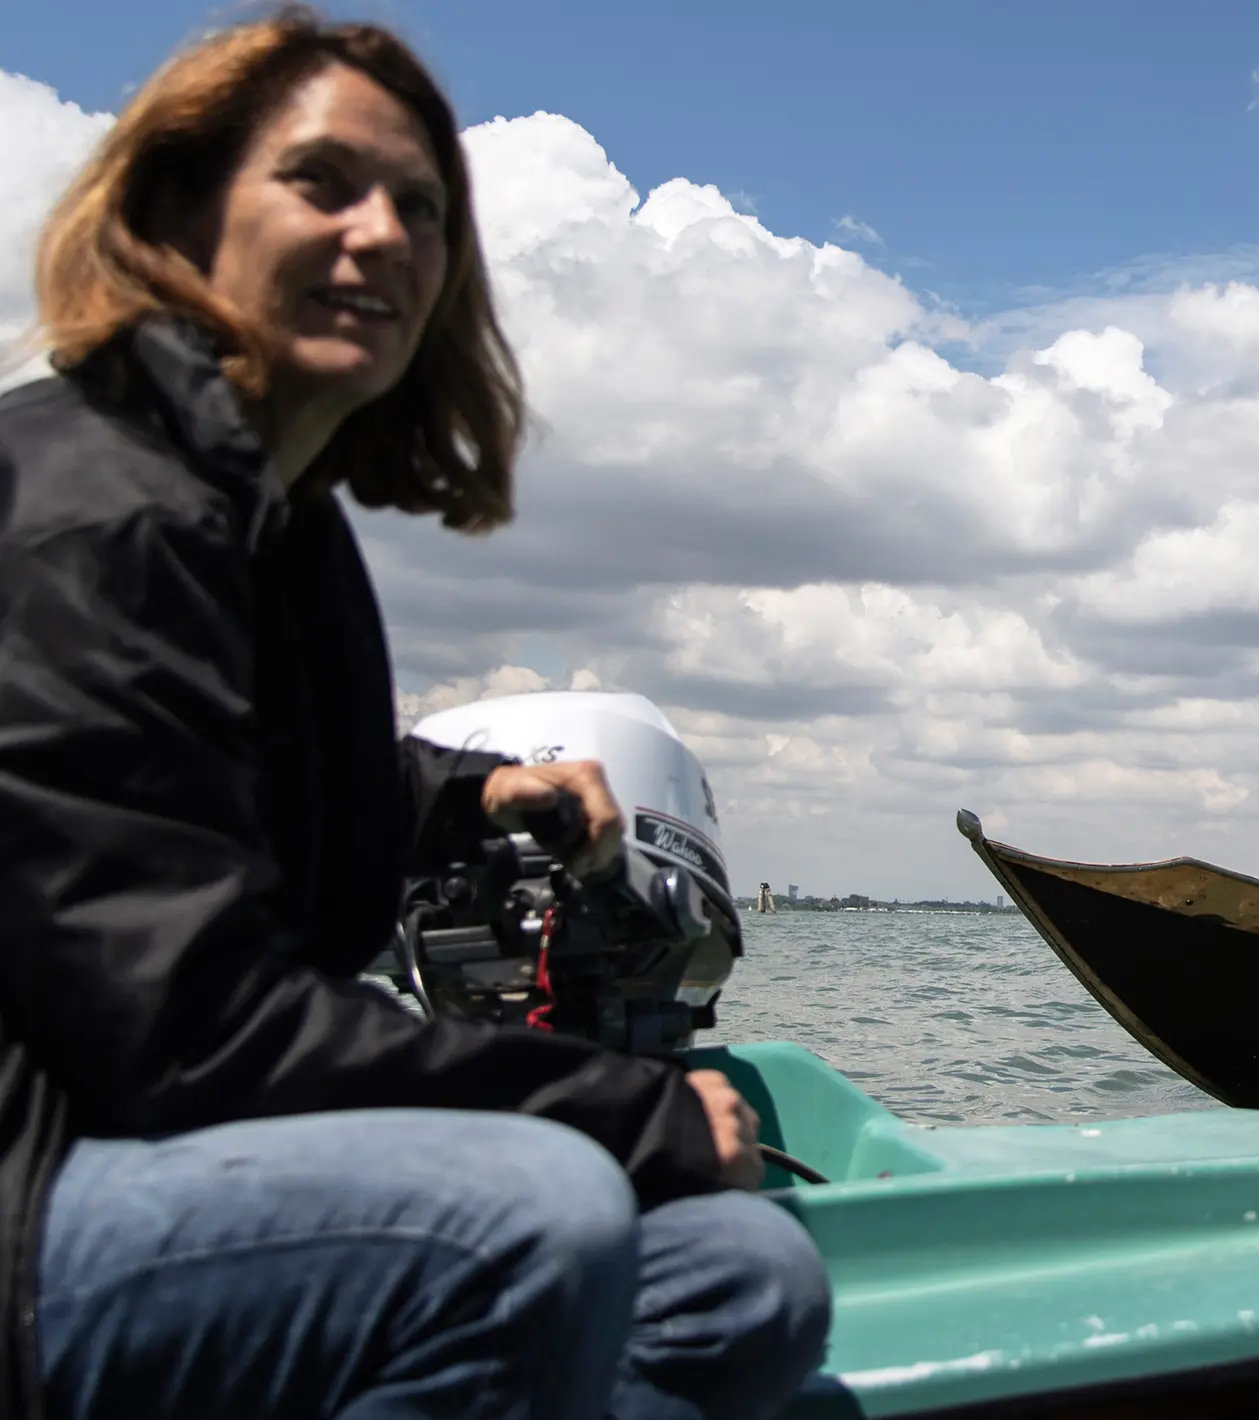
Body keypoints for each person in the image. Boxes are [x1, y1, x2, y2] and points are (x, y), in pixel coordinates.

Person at [0, 13, 827, 1419]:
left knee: (748, 1278)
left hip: (125, 1140)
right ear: (179, 214)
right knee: (530, 1219)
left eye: (424, 209)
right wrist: (632, 1113)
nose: (383, 234)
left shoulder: (266, 518)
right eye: (322, 182)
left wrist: (477, 794)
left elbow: (222, 777)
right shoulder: (96, 512)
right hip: (42, 1177)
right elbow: (189, 1032)